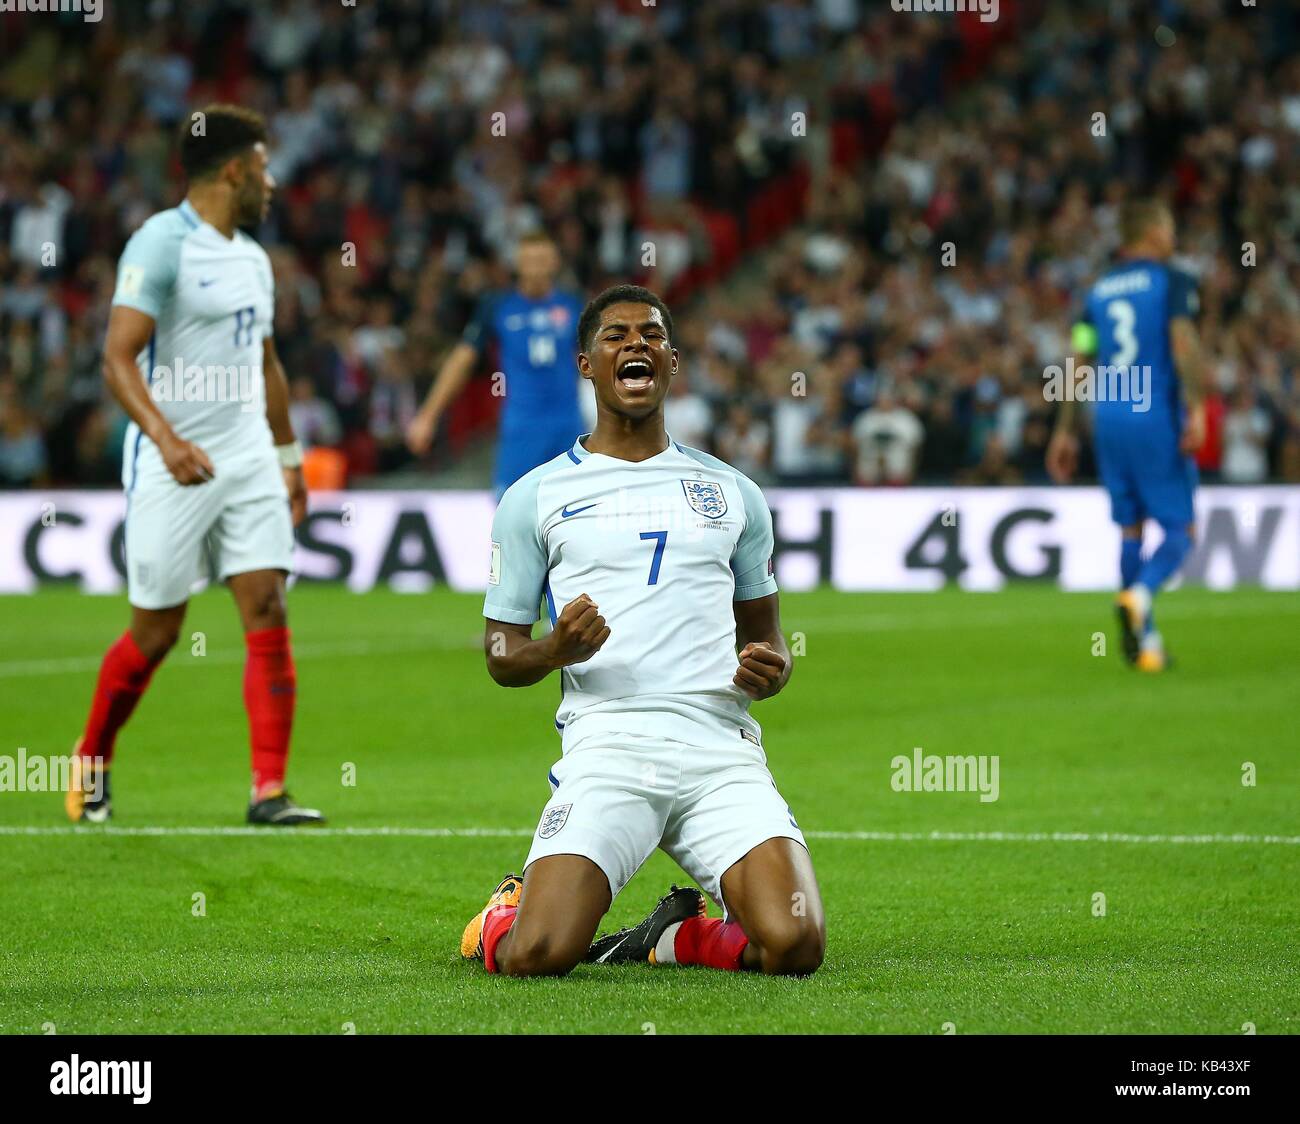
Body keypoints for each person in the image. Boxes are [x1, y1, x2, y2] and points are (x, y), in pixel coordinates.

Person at [461, 284, 825, 977]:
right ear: (587, 365)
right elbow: (502, 655)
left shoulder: (734, 494)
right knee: (537, 955)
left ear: (673, 362)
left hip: (719, 751)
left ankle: (672, 939)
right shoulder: (534, 497)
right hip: (610, 748)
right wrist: (554, 649)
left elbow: (770, 638)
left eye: (651, 335)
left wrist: (773, 668)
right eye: (617, 335)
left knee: (796, 943)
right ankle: (501, 916)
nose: (636, 344)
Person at [67, 105, 323, 825]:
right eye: (265, 168)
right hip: (171, 460)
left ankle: (268, 791)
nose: (272, 184)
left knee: (267, 604)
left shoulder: (251, 258)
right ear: (236, 170)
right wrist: (165, 436)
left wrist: (288, 455)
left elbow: (265, 361)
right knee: (157, 630)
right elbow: (117, 356)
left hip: (244, 454)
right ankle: (90, 760)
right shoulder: (160, 242)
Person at [1047, 199, 1207, 672]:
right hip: (1153, 411)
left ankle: (1145, 645)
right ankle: (1139, 594)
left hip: (1108, 414)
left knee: (1130, 527)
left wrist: (1064, 431)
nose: (1173, 236)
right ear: (1154, 230)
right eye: (1171, 225)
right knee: (1182, 529)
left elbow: (1079, 360)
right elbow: (1182, 343)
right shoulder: (1172, 280)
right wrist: (1196, 407)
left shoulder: (1095, 291)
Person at [405, 232, 585, 496]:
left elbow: (597, 361)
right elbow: (461, 360)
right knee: (508, 517)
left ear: (554, 263)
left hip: (568, 428)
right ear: (518, 265)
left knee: (573, 517)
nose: (536, 268)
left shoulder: (573, 305)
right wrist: (428, 415)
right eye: (529, 260)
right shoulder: (498, 306)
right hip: (520, 429)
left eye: (542, 260)